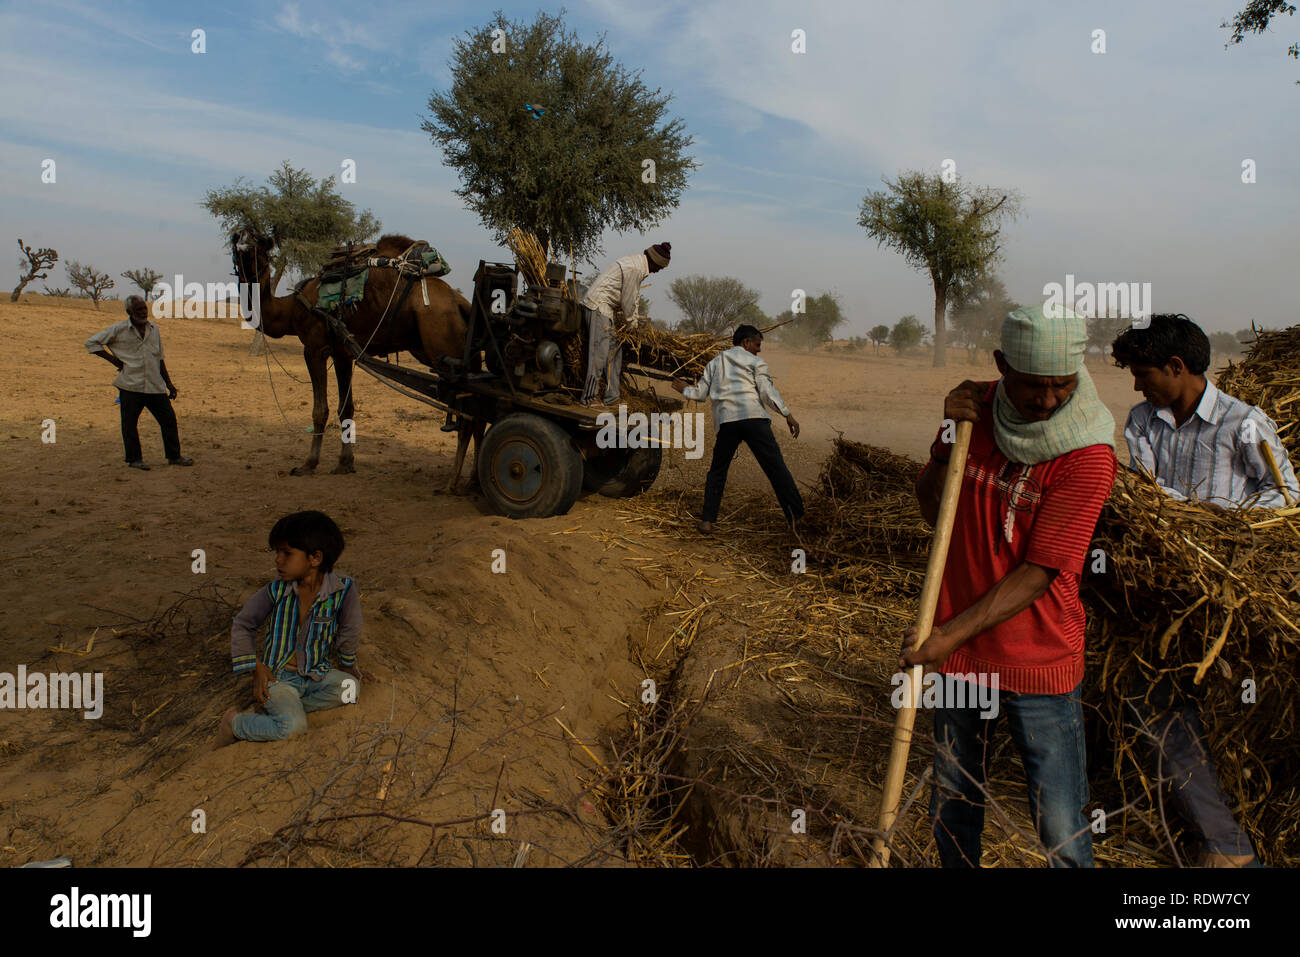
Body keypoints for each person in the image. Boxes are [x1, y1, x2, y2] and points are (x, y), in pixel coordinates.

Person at [902, 304, 1117, 867]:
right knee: (953, 800)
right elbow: (933, 509)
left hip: (1038, 657)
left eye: (1062, 386)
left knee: (1061, 821)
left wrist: (947, 635)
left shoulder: (1088, 453)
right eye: (1031, 386)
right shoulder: (972, 416)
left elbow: (1040, 572)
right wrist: (950, 433)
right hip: (960, 652)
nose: (1047, 401)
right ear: (1001, 365)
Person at [1110, 313, 1295, 867]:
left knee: (1240, 704)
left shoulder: (1244, 424)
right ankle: (1223, 844)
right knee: (1149, 695)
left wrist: (1214, 519)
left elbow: (1286, 498)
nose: (1136, 385)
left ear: (1177, 366)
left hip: (1232, 591)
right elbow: (1144, 498)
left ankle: (1224, 845)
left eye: (1143, 373)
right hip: (1164, 589)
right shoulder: (1143, 421)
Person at [216, 511, 363, 745]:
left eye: (286, 553)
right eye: (277, 553)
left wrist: (348, 666)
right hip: (278, 678)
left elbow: (350, 630)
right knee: (293, 729)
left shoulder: (343, 590)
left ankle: (287, 709)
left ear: (315, 558)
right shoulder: (275, 591)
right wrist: (256, 667)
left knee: (351, 689)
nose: (278, 560)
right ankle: (235, 724)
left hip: (316, 672)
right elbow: (243, 624)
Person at [671, 324, 803, 534]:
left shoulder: (714, 363)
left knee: (717, 471)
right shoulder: (756, 362)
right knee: (777, 470)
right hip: (754, 419)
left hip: (728, 421)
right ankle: (797, 519)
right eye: (758, 344)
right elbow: (767, 393)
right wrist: (787, 414)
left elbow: (699, 394)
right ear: (746, 342)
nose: (760, 349)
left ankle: (707, 521)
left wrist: (683, 389)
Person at [85, 294, 193, 469]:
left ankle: (174, 456)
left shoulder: (153, 329)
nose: (143, 312)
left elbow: (159, 358)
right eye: (139, 310)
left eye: (144, 308)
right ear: (129, 312)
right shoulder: (118, 329)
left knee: (169, 420)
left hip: (154, 385)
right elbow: (91, 343)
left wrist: (169, 384)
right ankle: (134, 459)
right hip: (130, 385)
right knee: (129, 424)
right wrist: (113, 360)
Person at [580, 242, 670, 406]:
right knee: (599, 355)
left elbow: (634, 299)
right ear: (654, 262)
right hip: (598, 306)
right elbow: (628, 301)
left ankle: (612, 397)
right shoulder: (635, 268)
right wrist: (632, 326)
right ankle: (589, 398)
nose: (658, 271)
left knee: (615, 353)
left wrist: (633, 322)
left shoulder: (638, 265)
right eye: (659, 268)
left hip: (607, 311)